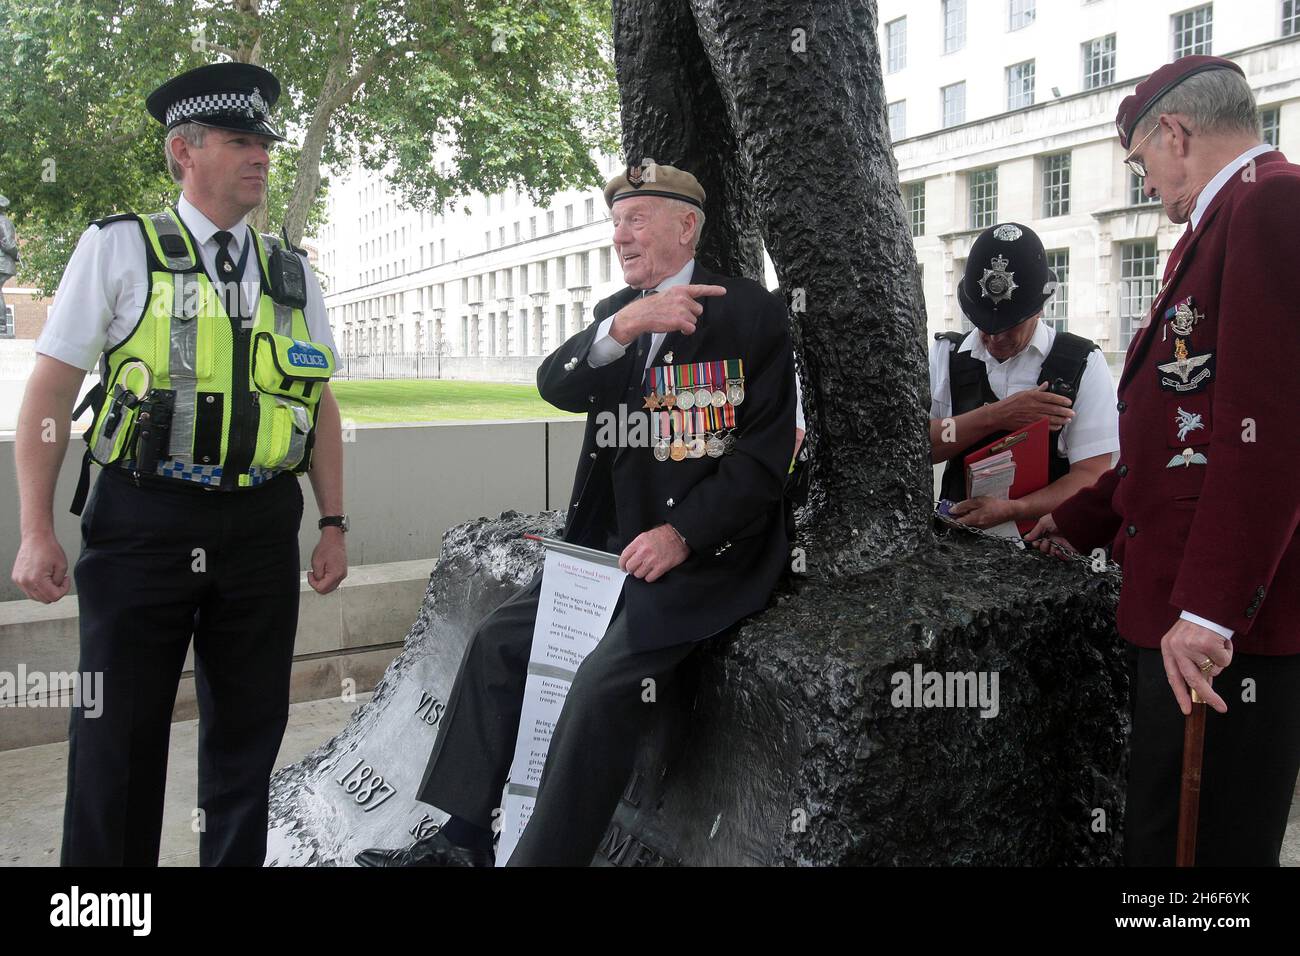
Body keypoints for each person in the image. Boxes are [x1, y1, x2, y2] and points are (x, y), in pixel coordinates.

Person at [356, 163, 796, 867]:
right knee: (498, 643)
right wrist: (622, 325)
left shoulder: (749, 314)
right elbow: (554, 385)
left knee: (601, 688)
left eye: (637, 218)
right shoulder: (619, 315)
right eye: (616, 221)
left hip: (702, 558)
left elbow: (761, 462)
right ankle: (462, 840)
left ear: (687, 226)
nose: (621, 235)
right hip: (605, 553)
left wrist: (684, 534)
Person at [11, 62, 349, 866]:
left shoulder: (292, 271)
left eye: (265, 141)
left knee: (248, 733)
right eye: (241, 141)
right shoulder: (117, 248)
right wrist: (34, 530)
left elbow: (319, 404)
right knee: (114, 737)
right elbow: (50, 393)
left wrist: (333, 521)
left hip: (264, 523)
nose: (262, 155)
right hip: (143, 521)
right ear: (183, 153)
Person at [1027, 55, 1300, 865]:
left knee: (1199, 858)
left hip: (1219, 632)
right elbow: (1184, 437)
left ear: (1175, 133)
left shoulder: (1270, 208)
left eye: (1141, 161)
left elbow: (1272, 431)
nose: (1145, 182)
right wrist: (1080, 516)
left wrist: (1211, 610)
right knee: (1161, 842)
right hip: (1182, 611)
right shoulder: (1220, 226)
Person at [929, 222, 1117, 528]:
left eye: (1009, 326)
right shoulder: (948, 356)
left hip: (1040, 548)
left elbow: (1091, 474)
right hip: (957, 543)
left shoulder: (1082, 364)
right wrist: (997, 416)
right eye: (985, 325)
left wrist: (1014, 509)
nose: (995, 338)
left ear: (1039, 309)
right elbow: (927, 442)